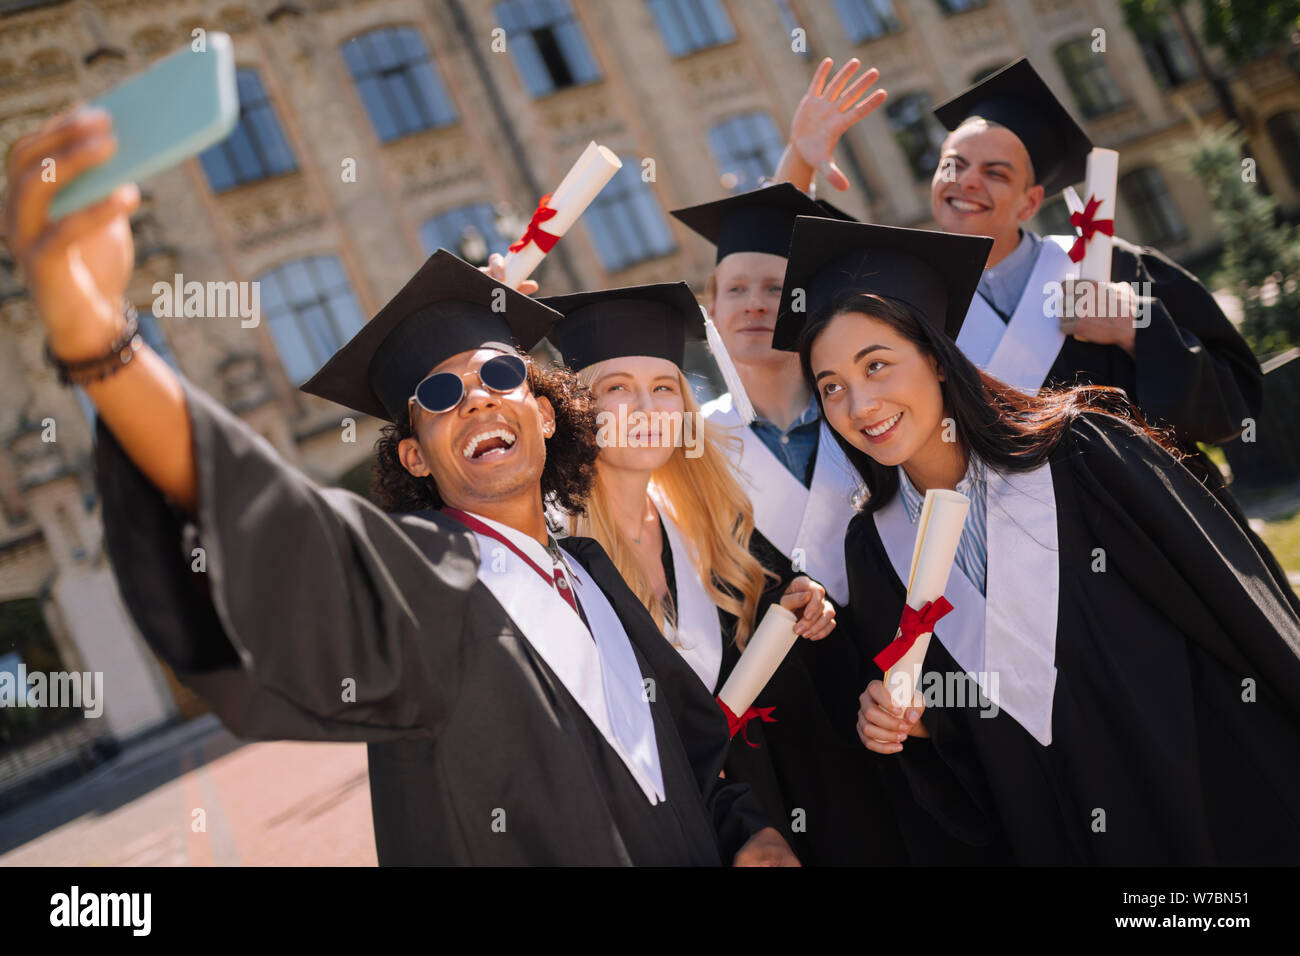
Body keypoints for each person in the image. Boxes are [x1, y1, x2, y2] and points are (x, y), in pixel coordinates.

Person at [2, 107, 800, 867]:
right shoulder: (430, 583)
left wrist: (750, 832)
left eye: (497, 373)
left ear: (548, 412)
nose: (478, 396)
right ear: (416, 458)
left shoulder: (589, 572)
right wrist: (96, 334)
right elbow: (278, 532)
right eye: (442, 397)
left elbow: (693, 757)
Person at [772, 214, 1300, 864]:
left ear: (937, 358)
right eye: (832, 388)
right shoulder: (876, 551)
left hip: (1216, 799)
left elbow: (1233, 607)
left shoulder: (1083, 455)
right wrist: (917, 719)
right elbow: (971, 747)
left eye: (877, 365)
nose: (859, 405)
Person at [541, 281, 907, 863]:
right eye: (617, 388)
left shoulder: (709, 527)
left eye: (664, 387)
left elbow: (802, 668)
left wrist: (804, 608)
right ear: (572, 407)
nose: (646, 409)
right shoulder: (554, 556)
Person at [928, 58, 1262, 489]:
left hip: (1162, 520)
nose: (967, 181)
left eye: (995, 172)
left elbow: (1233, 406)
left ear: (1030, 204)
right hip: (1027, 548)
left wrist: (1136, 328)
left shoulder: (1107, 267)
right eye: (954, 163)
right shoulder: (915, 307)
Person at [671, 183, 860, 607]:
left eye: (775, 288)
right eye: (736, 289)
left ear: (806, 305)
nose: (754, 304)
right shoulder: (695, 447)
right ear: (712, 311)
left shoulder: (865, 417)